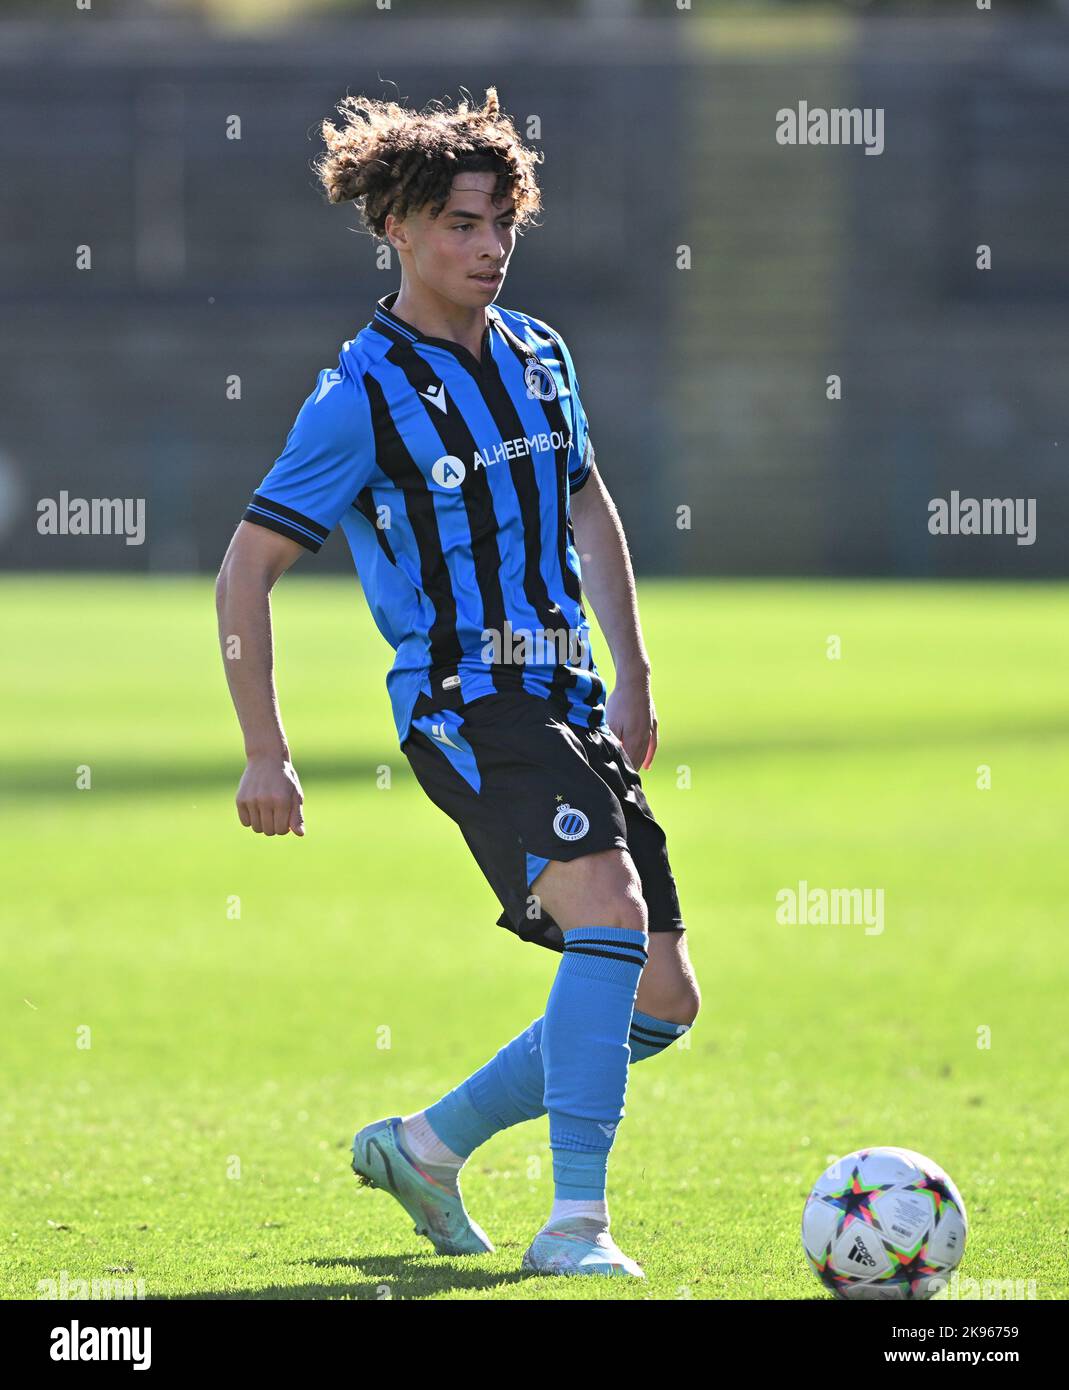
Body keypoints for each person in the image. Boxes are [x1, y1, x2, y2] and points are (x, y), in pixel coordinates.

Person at [215, 86, 700, 1278]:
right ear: (396, 229)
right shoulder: (358, 396)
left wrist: (632, 673)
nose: (486, 249)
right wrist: (264, 750)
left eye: (500, 226)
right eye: (459, 226)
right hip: (467, 702)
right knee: (610, 915)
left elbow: (588, 505)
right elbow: (245, 572)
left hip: (573, 699)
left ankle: (428, 1146)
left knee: (663, 1000)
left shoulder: (540, 355)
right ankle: (576, 1227)